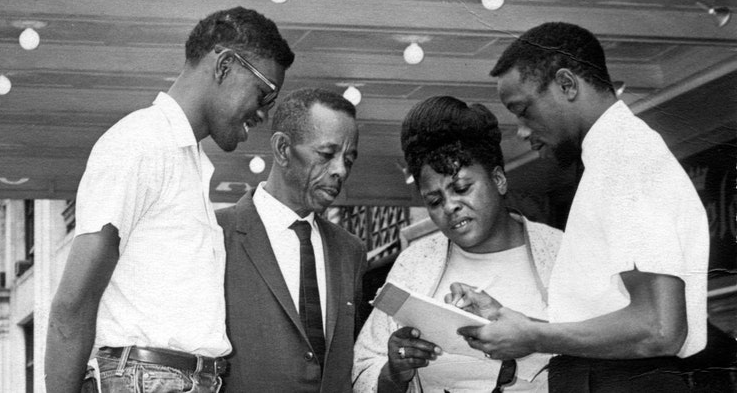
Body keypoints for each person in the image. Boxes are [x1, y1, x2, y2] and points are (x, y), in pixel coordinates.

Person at [44, 7, 295, 393]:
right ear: (225, 65)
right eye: (263, 94)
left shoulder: (184, 159)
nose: (263, 113)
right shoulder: (140, 144)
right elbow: (72, 306)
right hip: (145, 381)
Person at [454, 22, 709, 392]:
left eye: (523, 110)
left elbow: (659, 327)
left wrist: (535, 337)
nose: (522, 131)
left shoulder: (626, 157)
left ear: (567, 84)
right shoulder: (612, 157)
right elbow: (612, 316)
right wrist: (514, 323)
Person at [353, 96, 562, 393]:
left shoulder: (559, 253)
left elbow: (603, 352)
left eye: (462, 188)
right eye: (434, 201)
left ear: (499, 179)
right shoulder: (415, 263)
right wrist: (394, 372)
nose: (450, 206)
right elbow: (362, 370)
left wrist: (531, 337)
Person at [215, 88, 367, 392]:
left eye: (348, 160)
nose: (340, 170)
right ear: (283, 149)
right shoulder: (215, 234)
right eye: (326, 155)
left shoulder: (351, 251)